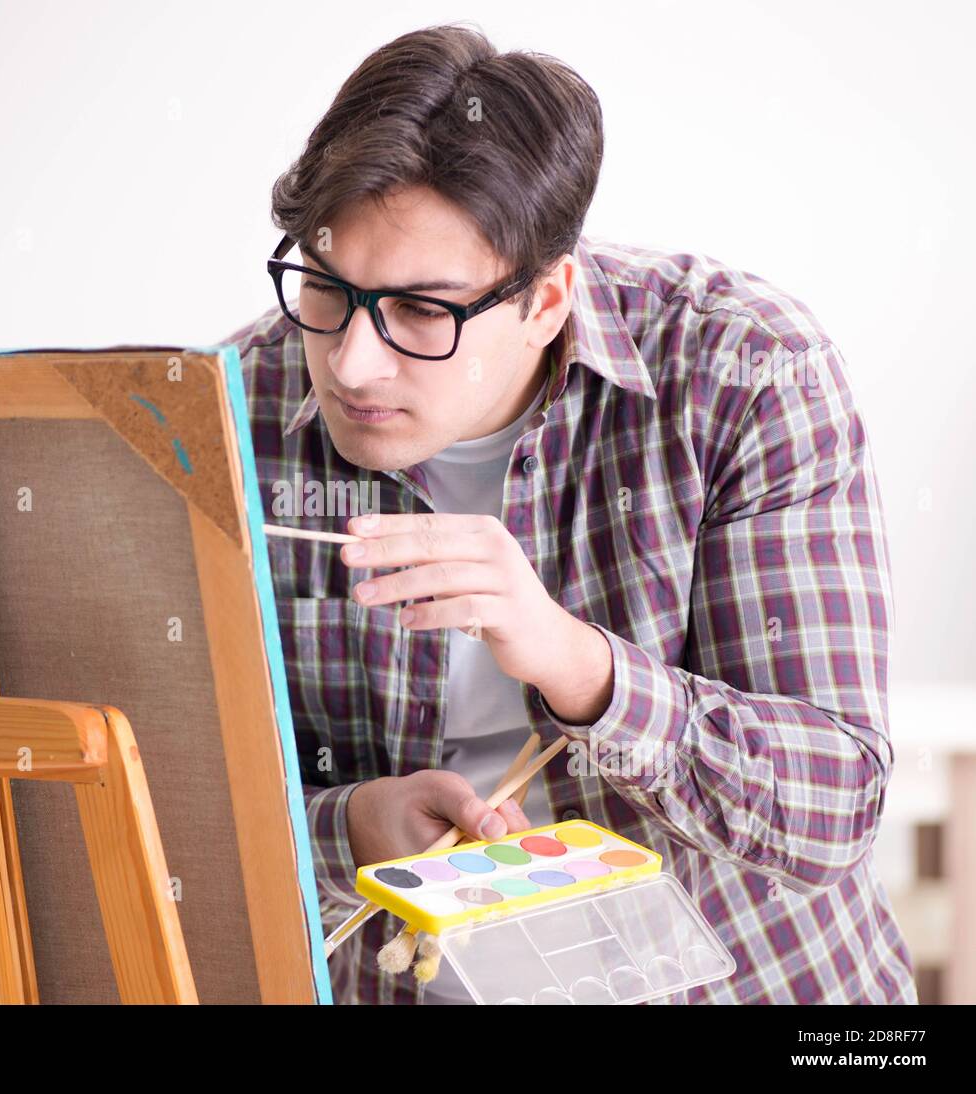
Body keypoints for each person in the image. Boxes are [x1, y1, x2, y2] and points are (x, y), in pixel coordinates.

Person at [222, 23, 916, 1005]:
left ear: (547, 299)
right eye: (329, 289)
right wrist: (348, 826)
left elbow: (831, 800)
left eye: (422, 311)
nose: (349, 363)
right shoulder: (233, 409)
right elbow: (179, 799)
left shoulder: (745, 369)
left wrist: (575, 661)